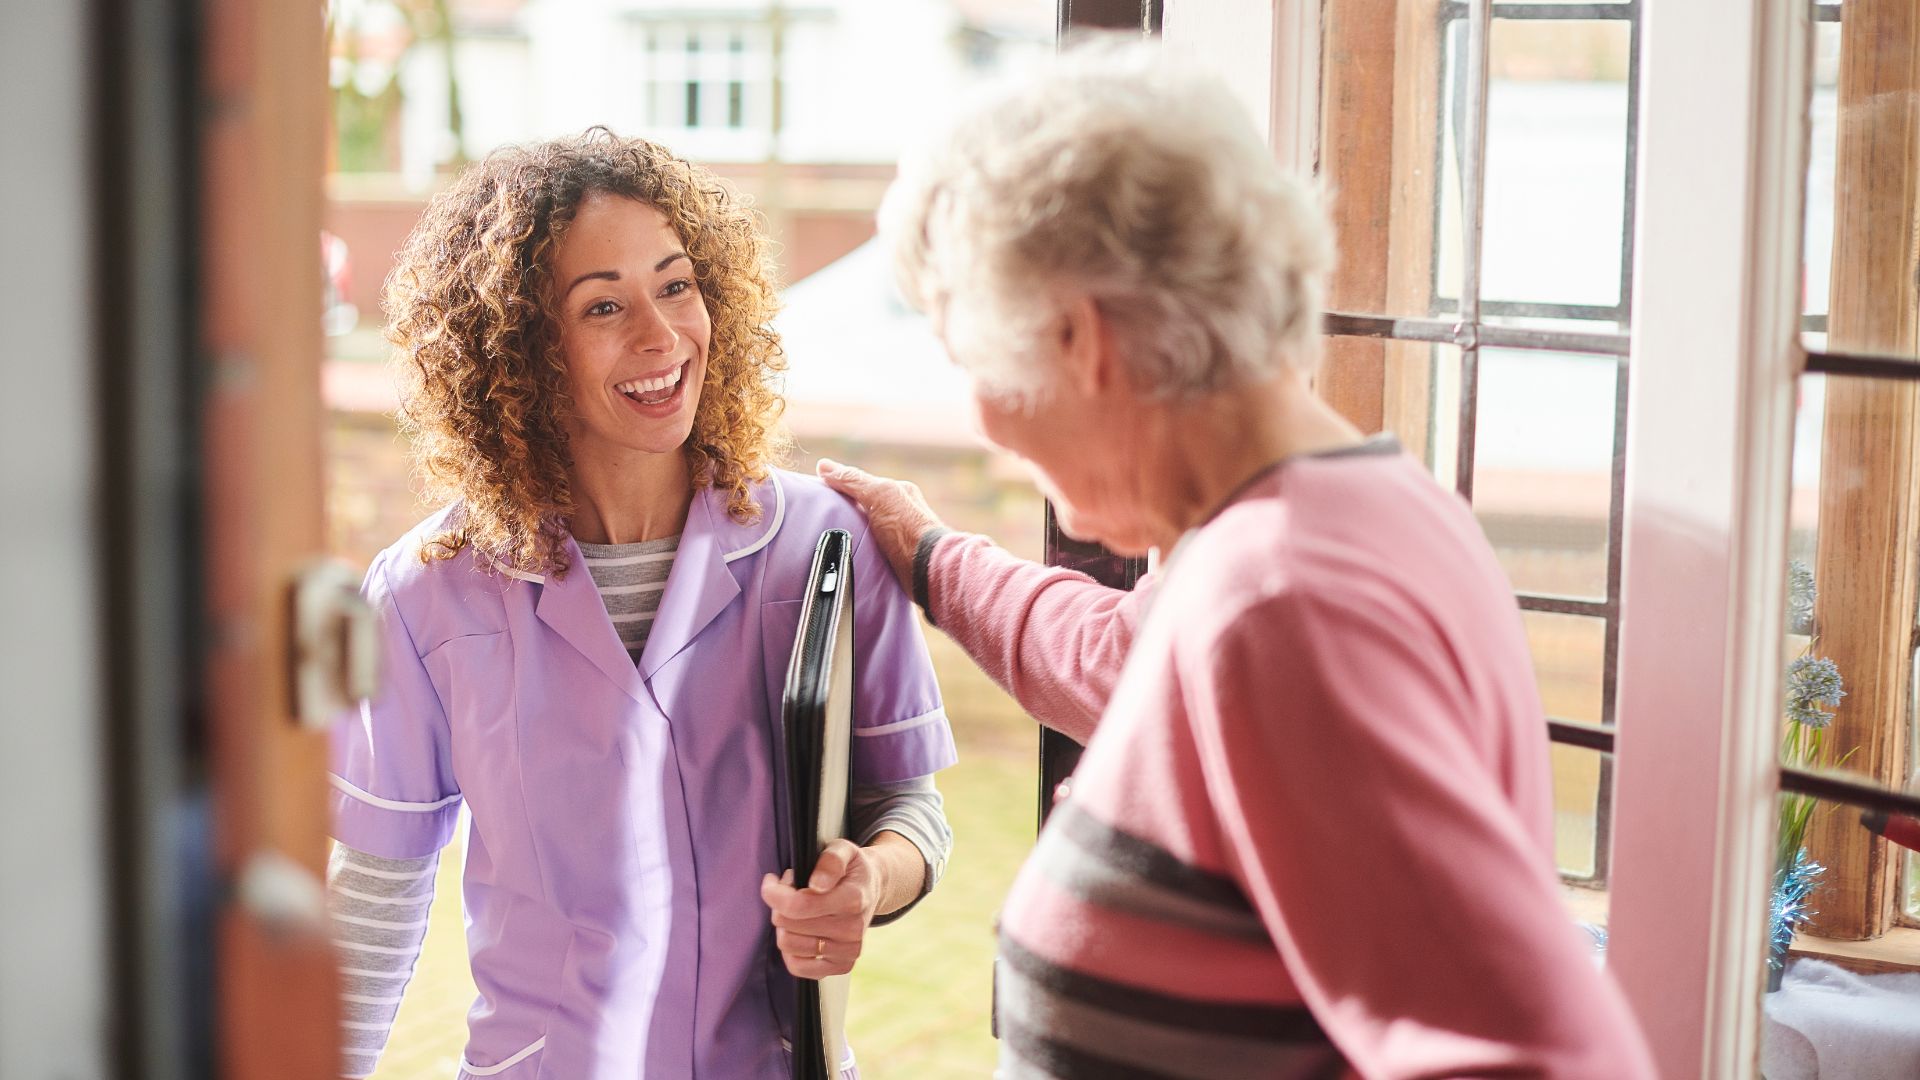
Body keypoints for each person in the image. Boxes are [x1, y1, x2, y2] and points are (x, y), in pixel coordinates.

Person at [818, 45, 1657, 1079]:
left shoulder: (1282, 602)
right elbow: (1125, 661)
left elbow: (1534, 1057)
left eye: (973, 364)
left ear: (1080, 339)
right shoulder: (1353, 515)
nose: (986, 422)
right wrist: (931, 554)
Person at [325, 130, 956, 1080]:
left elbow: (907, 804)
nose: (661, 337)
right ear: (523, 350)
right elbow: (376, 890)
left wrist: (870, 881)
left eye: (677, 285)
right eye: (604, 306)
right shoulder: (426, 592)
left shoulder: (826, 545)